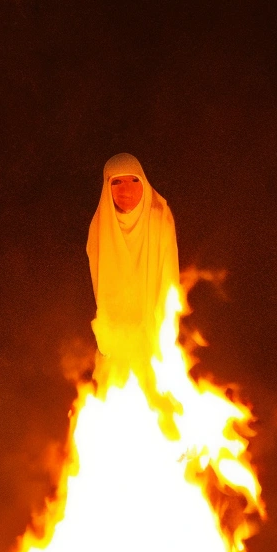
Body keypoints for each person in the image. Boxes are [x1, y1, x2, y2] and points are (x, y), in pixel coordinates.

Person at [86, 152, 181, 387]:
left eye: (133, 180)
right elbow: (99, 285)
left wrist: (164, 335)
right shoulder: (100, 226)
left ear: (144, 182)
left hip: (153, 333)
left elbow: (169, 277)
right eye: (116, 182)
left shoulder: (159, 218)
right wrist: (107, 335)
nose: (125, 189)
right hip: (114, 337)